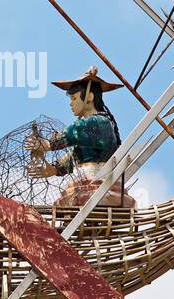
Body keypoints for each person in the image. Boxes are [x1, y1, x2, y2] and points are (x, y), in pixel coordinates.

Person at [26, 66, 135, 208]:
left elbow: (74, 131)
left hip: (97, 188)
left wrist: (48, 145)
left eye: (74, 98)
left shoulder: (99, 122)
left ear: (89, 96)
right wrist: (54, 168)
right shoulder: (88, 132)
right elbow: (75, 154)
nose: (71, 103)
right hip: (82, 185)